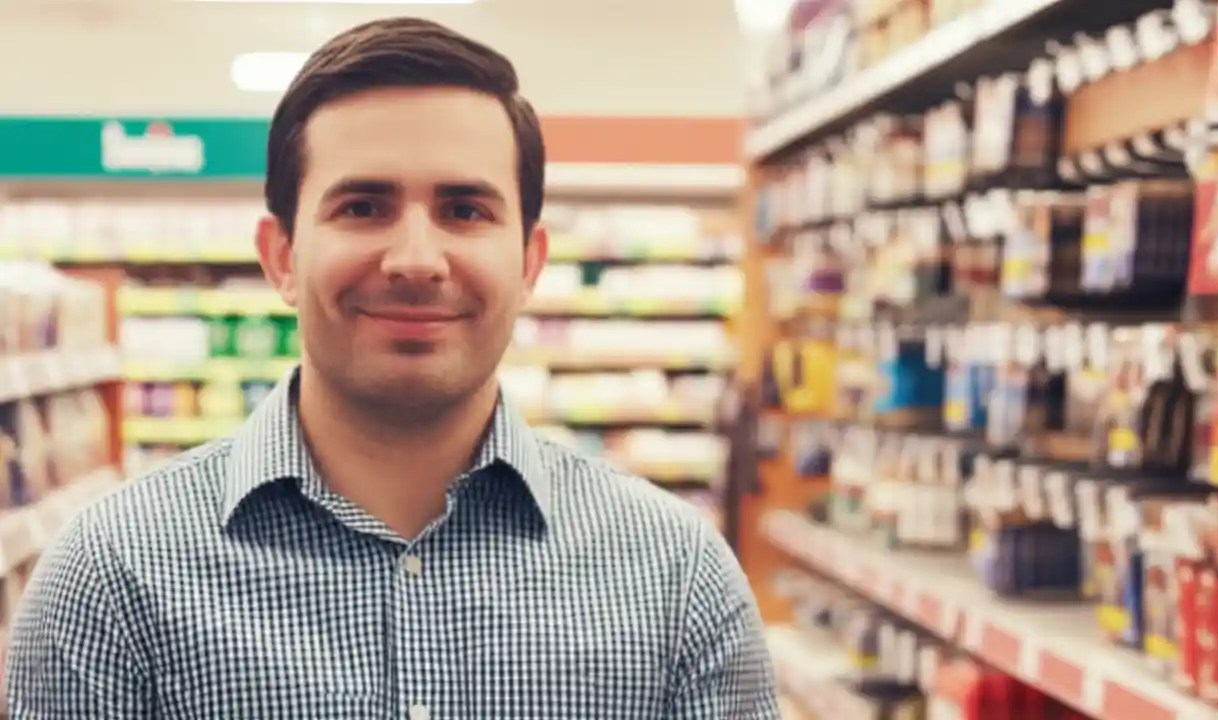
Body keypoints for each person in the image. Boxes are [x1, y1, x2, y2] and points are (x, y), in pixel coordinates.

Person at [5, 16, 780, 720]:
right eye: (363, 207)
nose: (415, 260)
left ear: (530, 260)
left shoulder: (677, 580)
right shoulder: (111, 578)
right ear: (280, 256)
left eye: (465, 210)